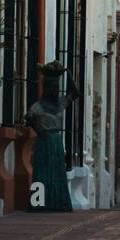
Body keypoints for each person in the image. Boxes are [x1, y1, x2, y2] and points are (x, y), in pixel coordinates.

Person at [24, 61, 77, 212]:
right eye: (53, 87)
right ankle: (38, 203)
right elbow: (28, 119)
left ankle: (58, 204)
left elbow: (75, 93)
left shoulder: (60, 103)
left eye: (57, 87)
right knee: (41, 173)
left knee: (57, 174)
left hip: (56, 142)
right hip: (44, 141)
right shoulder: (37, 107)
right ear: (46, 88)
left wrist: (68, 73)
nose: (55, 90)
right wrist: (40, 130)